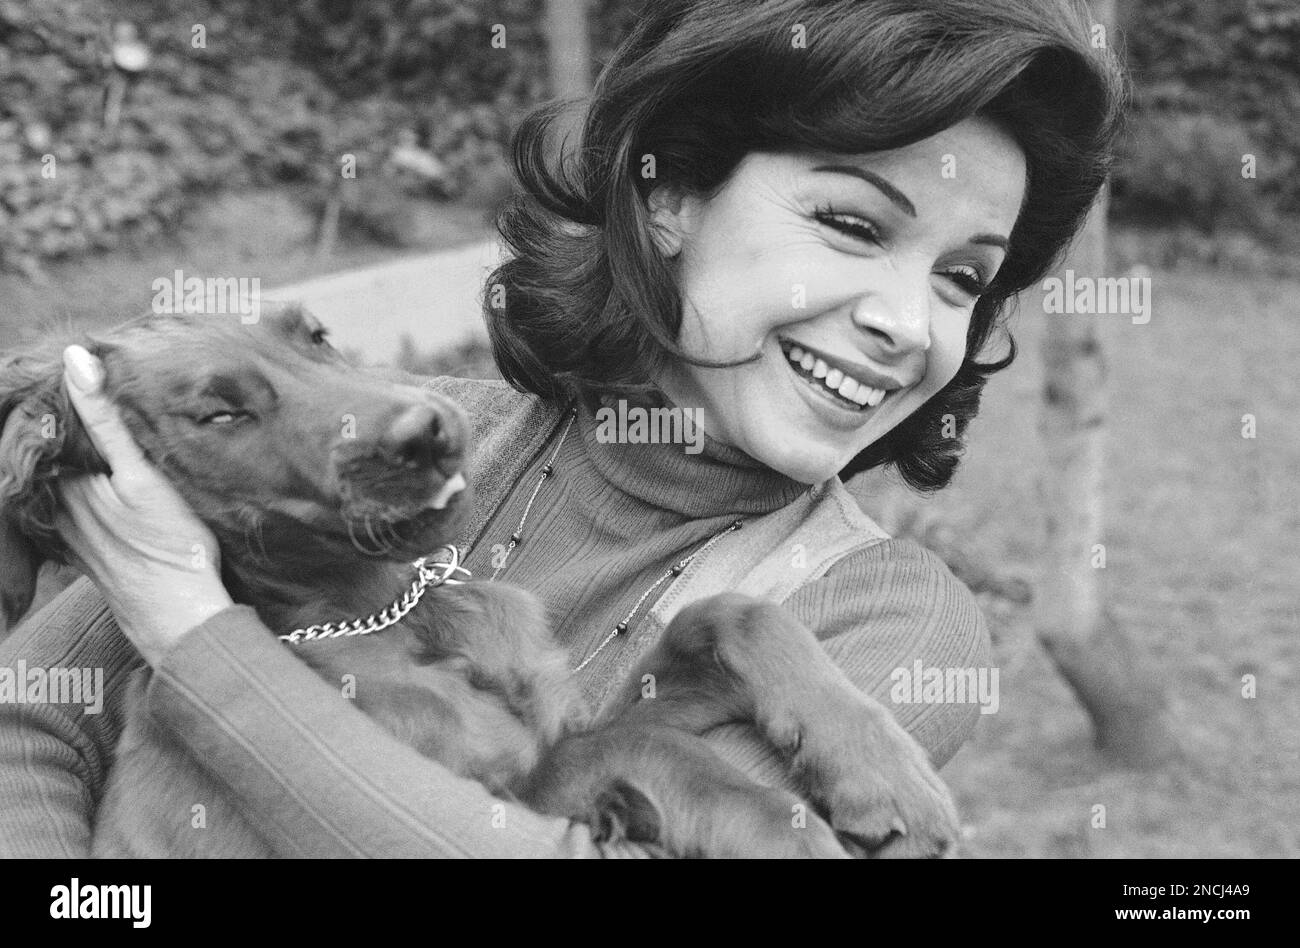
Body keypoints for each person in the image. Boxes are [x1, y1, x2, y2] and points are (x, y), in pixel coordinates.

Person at [0, 0, 1123, 857]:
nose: (902, 322)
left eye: (962, 279)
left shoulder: (890, 620)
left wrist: (192, 635)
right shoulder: (426, 450)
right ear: (669, 196)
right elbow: (28, 730)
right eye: (849, 221)